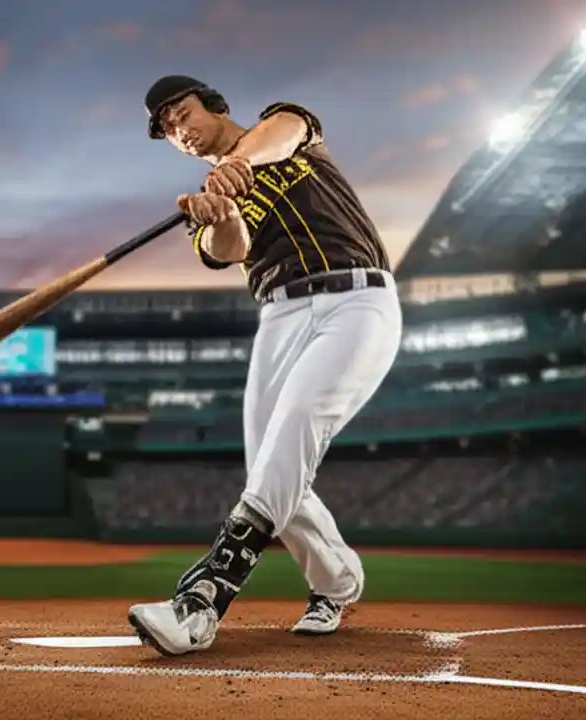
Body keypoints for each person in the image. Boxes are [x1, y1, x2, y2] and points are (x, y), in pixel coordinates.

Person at [127, 76, 402, 655]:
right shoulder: (202, 203)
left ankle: (203, 599)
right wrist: (221, 209)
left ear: (216, 105)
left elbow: (283, 134)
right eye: (169, 130)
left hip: (356, 300)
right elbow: (231, 248)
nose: (179, 130)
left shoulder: (283, 125)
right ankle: (338, 581)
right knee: (271, 469)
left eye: (182, 113)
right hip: (279, 315)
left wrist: (237, 164)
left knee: (296, 428)